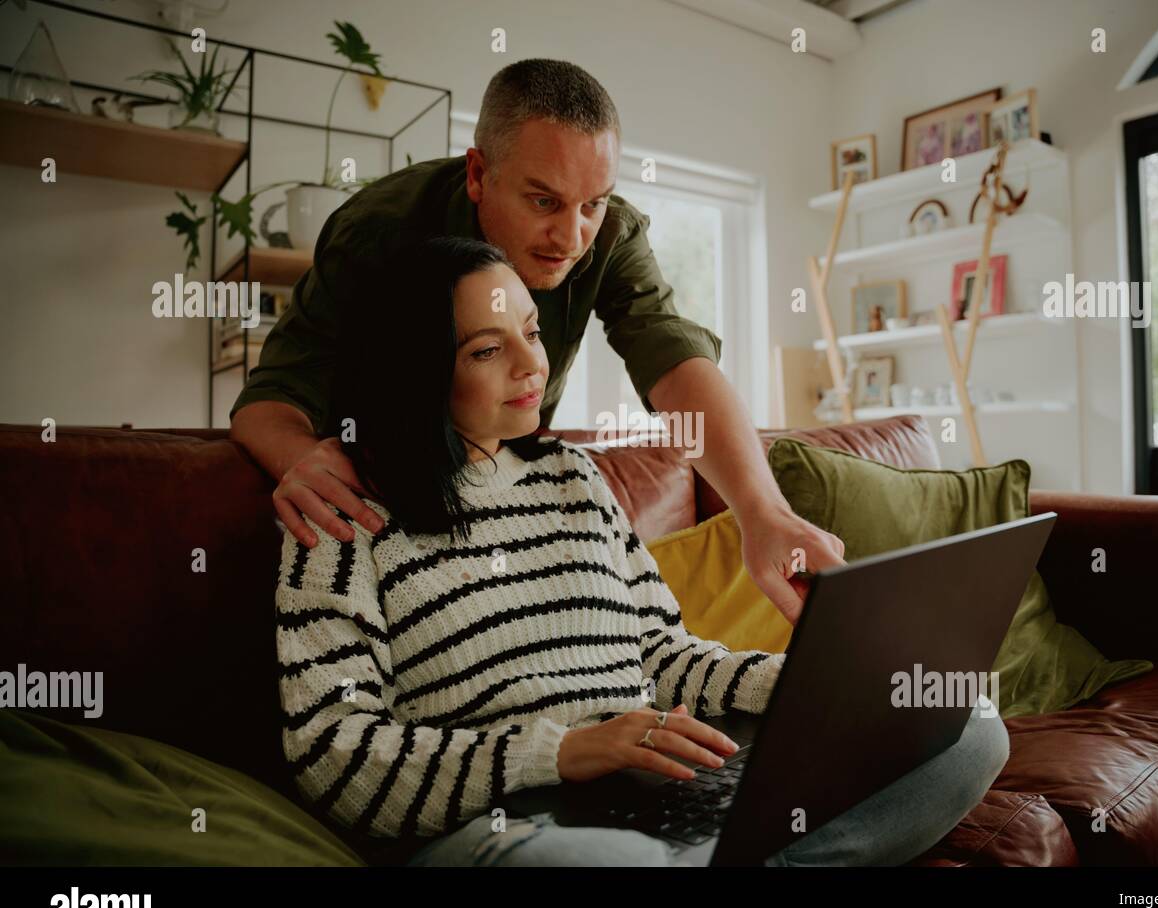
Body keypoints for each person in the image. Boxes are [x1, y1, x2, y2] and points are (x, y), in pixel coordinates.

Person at [274, 235, 1011, 867]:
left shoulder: (572, 476)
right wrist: (559, 752)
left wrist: (812, 685)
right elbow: (333, 753)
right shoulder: (342, 517)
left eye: (533, 332)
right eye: (488, 349)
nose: (532, 366)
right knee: (612, 862)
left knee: (962, 721)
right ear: (417, 371)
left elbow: (660, 656)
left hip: (656, 786)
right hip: (508, 824)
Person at [233, 58, 844, 628]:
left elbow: (672, 360)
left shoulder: (610, 235)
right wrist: (302, 459)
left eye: (593, 204)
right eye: (543, 200)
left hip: (505, 493)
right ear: (479, 174)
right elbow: (272, 397)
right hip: (380, 505)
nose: (570, 235)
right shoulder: (378, 230)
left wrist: (764, 513)